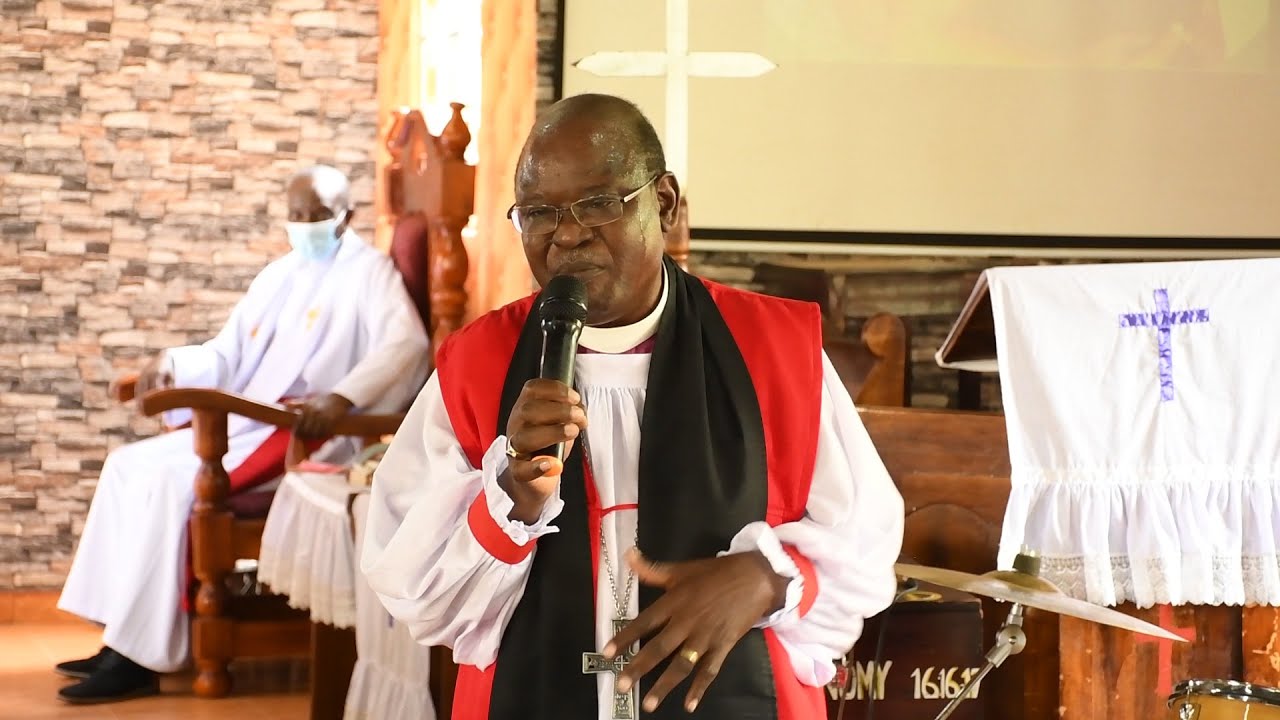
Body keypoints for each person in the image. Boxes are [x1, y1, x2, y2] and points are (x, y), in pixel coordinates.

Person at [362, 94, 904, 719]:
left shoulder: (775, 350)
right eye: (539, 213)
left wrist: (768, 579)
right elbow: (416, 588)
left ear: (664, 204)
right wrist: (509, 502)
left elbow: (864, 549)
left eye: (598, 203)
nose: (566, 234)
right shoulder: (478, 365)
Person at [55, 165, 433, 704]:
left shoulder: (370, 273)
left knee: (171, 484)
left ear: (347, 215)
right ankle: (118, 635)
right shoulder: (281, 273)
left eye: (318, 215)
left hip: (308, 432)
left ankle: (140, 658)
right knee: (126, 465)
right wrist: (176, 363)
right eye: (296, 215)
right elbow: (227, 351)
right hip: (253, 419)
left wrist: (341, 397)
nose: (304, 225)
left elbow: (406, 346)